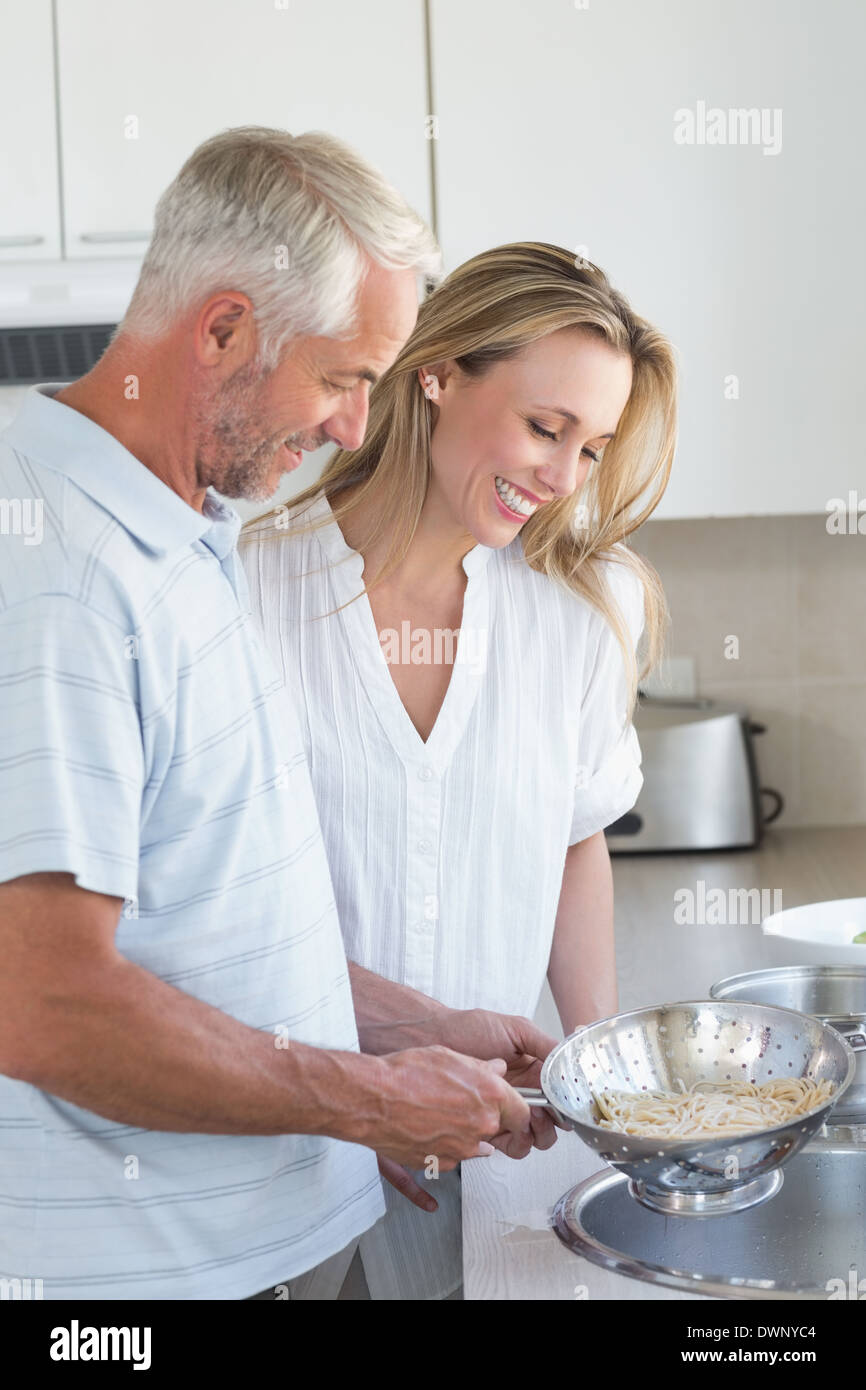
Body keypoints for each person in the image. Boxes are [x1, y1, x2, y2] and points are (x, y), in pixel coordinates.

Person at [0, 128, 556, 1302]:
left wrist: (402, 1027)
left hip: (289, 1240)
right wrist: (363, 1096)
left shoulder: (185, 531)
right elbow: (43, 1003)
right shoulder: (56, 572)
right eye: (345, 377)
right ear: (220, 331)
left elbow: (195, 917)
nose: (355, 426)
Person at [239, 241, 677, 1298]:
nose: (563, 477)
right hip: (285, 1147)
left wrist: (600, 1080)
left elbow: (576, 837)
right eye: (543, 427)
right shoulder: (247, 593)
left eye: (592, 446)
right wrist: (347, 1085)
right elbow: (215, 908)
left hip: (500, 1148)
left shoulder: (581, 605)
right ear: (435, 373)